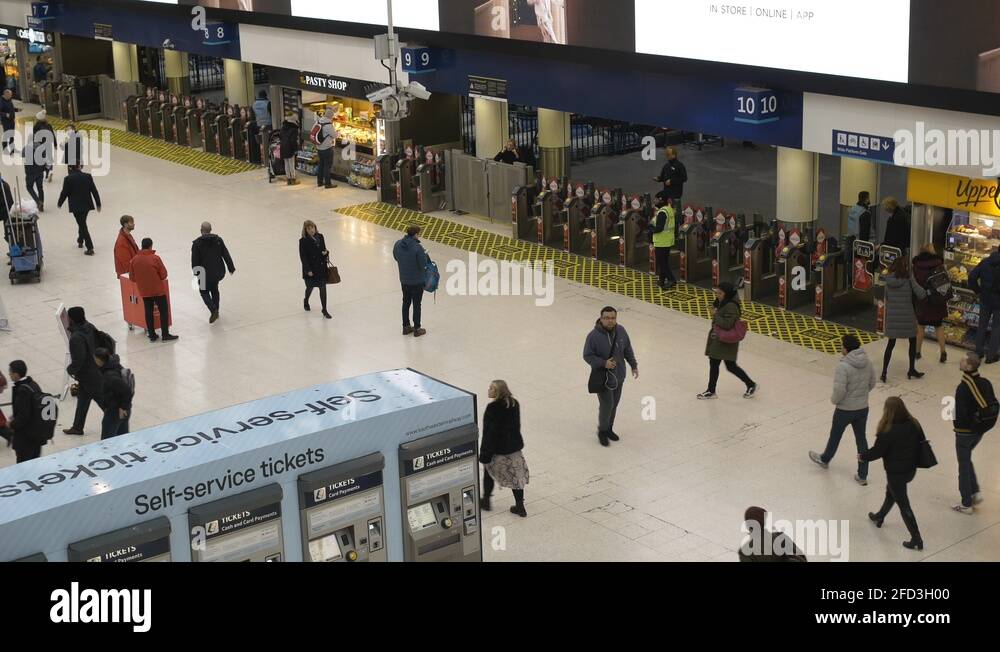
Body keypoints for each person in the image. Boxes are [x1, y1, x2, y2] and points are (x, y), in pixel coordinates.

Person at [809, 335, 877, 485]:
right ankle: (863, 475)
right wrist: (861, 396)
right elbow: (872, 382)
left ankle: (825, 459)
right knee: (861, 439)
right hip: (862, 408)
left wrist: (835, 400)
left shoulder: (843, 366)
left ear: (846, 349)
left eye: (842, 346)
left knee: (835, 436)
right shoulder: (867, 362)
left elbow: (839, 390)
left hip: (845, 409)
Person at [861, 397, 925, 551]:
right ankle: (880, 516)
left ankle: (916, 538)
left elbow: (877, 451)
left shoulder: (887, 430)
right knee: (891, 492)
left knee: (904, 505)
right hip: (910, 469)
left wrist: (863, 456)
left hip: (896, 472)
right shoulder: (914, 423)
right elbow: (921, 441)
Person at [583, 306, 638, 446]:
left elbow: (627, 349)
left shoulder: (621, 331)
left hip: (619, 376)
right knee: (607, 405)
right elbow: (587, 355)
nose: (610, 321)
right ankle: (602, 431)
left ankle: (609, 429)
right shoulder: (593, 336)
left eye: (613, 318)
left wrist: (633, 365)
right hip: (604, 379)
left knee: (615, 404)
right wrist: (603, 363)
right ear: (601, 319)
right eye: (606, 318)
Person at [479, 380, 530, 517]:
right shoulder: (513, 403)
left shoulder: (493, 408)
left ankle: (486, 500)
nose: (488, 390)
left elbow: (489, 433)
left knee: (488, 471)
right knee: (516, 477)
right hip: (514, 448)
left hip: (498, 450)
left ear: (498, 392)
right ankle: (520, 506)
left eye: (491, 388)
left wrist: (484, 454)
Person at [952, 353, 995, 514]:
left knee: (963, 465)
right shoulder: (985, 383)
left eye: (963, 360)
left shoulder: (963, 388)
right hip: (980, 430)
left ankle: (966, 503)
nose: (960, 361)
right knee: (967, 459)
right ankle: (975, 492)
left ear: (969, 367)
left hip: (964, 433)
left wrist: (955, 424)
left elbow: (961, 413)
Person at [698, 282, 757, 400]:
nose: (717, 295)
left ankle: (711, 391)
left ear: (727, 294)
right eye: (717, 293)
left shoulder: (731, 306)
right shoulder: (722, 302)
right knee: (721, 364)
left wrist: (715, 315)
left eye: (720, 293)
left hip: (726, 340)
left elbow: (727, 324)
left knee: (725, 364)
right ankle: (750, 384)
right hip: (720, 339)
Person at [880, 257, 926, 382]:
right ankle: (911, 369)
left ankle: (884, 372)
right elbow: (921, 294)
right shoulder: (908, 279)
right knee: (912, 342)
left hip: (893, 317)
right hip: (907, 317)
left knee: (890, 345)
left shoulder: (888, 280)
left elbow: (887, 298)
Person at [63, 307, 104, 436]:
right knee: (83, 400)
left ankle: (117, 418)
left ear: (72, 319)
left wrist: (70, 369)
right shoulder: (89, 326)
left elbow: (79, 359)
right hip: (94, 370)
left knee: (103, 401)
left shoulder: (76, 337)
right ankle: (77, 427)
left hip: (88, 375)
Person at [128, 238, 178, 343]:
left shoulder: (134, 260)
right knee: (163, 311)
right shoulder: (155, 258)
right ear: (151, 246)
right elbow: (164, 275)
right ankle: (165, 334)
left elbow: (132, 278)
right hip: (158, 290)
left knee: (148, 312)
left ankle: (152, 335)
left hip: (144, 291)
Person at [191, 222, 236, 324]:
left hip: (203, 274)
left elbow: (194, 260)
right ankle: (217, 310)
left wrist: (195, 272)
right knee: (214, 289)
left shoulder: (197, 244)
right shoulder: (218, 240)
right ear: (211, 229)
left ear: (201, 230)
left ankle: (213, 310)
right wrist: (231, 267)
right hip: (217, 271)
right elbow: (225, 254)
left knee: (204, 292)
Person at [912, 243, 949, 363]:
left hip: (923, 300)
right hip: (937, 299)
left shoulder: (916, 265)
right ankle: (943, 351)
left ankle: (917, 352)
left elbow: (915, 283)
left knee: (920, 326)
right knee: (939, 326)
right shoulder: (939, 264)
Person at [393, 225, 431, 337]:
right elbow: (423, 264)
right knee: (416, 304)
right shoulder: (417, 248)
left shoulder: (398, 244)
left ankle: (405, 326)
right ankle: (417, 328)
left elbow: (396, 257)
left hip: (404, 279)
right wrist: (425, 255)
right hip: (417, 281)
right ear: (415, 234)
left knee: (405, 302)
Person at [57, 164, 102, 255]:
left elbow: (64, 192)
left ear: (70, 168)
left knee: (82, 225)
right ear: (80, 167)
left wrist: (60, 203)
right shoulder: (87, 176)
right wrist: (98, 203)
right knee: (82, 223)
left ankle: (90, 247)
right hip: (87, 205)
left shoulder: (68, 179)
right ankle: (80, 240)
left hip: (76, 207)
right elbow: (94, 190)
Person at [7, 360, 45, 463]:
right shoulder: (33, 384)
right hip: (36, 435)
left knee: (23, 466)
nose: (9, 374)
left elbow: (24, 416)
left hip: (26, 438)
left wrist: (12, 424)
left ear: (16, 374)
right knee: (34, 463)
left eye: (10, 372)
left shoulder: (22, 390)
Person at [738, 506, 807, 562]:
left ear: (747, 525)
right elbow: (801, 558)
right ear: (764, 522)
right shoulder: (780, 537)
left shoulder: (745, 551)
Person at [968, 247, 1000, 364]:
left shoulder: (985, 261)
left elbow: (971, 277)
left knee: (982, 325)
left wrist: (978, 291)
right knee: (997, 328)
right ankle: (991, 356)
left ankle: (978, 352)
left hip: (985, 299)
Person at [94, 347, 132, 440]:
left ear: (99, 360)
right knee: (123, 437)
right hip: (123, 409)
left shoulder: (110, 376)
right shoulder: (114, 363)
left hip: (115, 411)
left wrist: (123, 407)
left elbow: (127, 390)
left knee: (107, 440)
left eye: (95, 359)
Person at [299, 220, 332, 319]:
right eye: (309, 229)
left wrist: (326, 253)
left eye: (312, 227)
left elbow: (324, 249)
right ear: (305, 230)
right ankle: (306, 300)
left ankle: (324, 309)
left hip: (321, 268)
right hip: (311, 270)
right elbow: (303, 257)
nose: (311, 230)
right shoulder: (303, 241)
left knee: (323, 288)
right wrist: (308, 270)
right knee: (310, 287)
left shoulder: (320, 237)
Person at [653, 146, 687, 240]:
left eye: (669, 154)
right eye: (666, 154)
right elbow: (663, 177)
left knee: (674, 214)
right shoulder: (666, 166)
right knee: (666, 213)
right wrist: (659, 179)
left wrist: (672, 181)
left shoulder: (679, 165)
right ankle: (666, 230)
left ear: (674, 155)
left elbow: (684, 178)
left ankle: (675, 234)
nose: (667, 156)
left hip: (675, 194)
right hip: (666, 194)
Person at [651, 195, 677, 289]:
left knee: (662, 262)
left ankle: (672, 279)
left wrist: (651, 229)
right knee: (664, 261)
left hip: (661, 241)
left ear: (661, 200)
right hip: (668, 240)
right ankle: (661, 279)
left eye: (657, 199)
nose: (655, 201)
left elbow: (659, 228)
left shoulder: (662, 212)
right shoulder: (669, 209)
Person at [315, 107, 337, 189]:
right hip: (327, 148)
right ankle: (328, 184)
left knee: (321, 164)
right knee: (327, 166)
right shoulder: (328, 125)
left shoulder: (319, 121)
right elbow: (334, 135)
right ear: (330, 116)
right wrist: (338, 132)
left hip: (319, 147)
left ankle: (319, 182)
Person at [33, 110, 55, 184]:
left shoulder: (36, 126)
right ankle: (48, 173)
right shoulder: (48, 125)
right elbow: (52, 134)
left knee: (43, 160)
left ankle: (45, 175)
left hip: (40, 146)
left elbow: (34, 137)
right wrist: (55, 144)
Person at [279, 115, 302, 186]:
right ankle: (293, 179)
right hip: (290, 147)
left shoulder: (283, 127)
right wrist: (295, 149)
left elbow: (280, 137)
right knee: (291, 164)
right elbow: (293, 141)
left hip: (283, 147)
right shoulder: (294, 129)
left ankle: (288, 180)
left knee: (286, 163)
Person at [0, 88, 18, 154]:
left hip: (11, 120)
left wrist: (16, 109)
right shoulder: (1, 101)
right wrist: (5, 114)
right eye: (10, 95)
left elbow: (11, 107)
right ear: (6, 94)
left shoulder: (9, 100)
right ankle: (5, 149)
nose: (11, 96)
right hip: (6, 121)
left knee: (12, 135)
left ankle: (12, 149)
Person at [0, 170, 12, 244]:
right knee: (9, 231)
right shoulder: (5, 184)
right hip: (7, 211)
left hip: (4, 211)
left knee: (8, 231)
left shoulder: (3, 185)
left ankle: (9, 238)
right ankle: (9, 238)